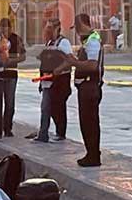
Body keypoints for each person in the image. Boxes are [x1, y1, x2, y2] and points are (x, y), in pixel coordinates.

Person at [64, 13, 104, 167]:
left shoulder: (93, 40)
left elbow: (92, 65)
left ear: (81, 25)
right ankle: (91, 153)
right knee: (86, 122)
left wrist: (74, 62)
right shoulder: (88, 41)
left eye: (77, 27)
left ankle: (93, 155)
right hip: (85, 86)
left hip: (90, 86)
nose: (76, 32)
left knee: (90, 123)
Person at [29, 19, 72, 142]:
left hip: (60, 82)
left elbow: (69, 60)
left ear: (57, 29)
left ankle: (60, 133)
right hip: (47, 81)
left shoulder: (63, 43)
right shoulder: (49, 43)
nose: (47, 30)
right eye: (46, 27)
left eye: (50, 28)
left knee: (58, 108)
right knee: (46, 108)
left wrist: (58, 70)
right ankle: (43, 134)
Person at [0, 18, 26, 138]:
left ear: (10, 28)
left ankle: (7, 128)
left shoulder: (16, 39)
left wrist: (12, 61)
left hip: (11, 75)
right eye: (2, 28)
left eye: (6, 28)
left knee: (10, 104)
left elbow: (23, 55)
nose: (4, 30)